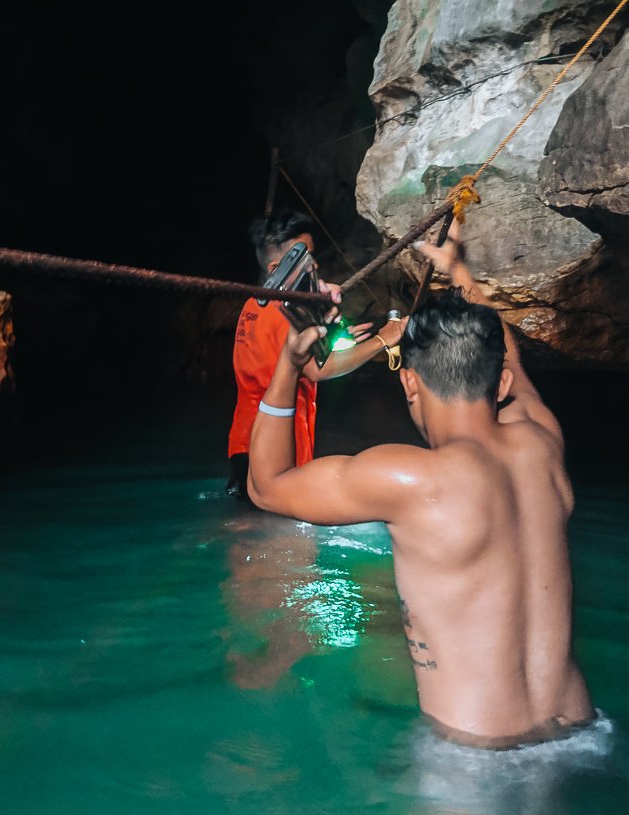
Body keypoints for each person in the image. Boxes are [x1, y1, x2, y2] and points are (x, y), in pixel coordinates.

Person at [247, 221, 595, 749]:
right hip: (585, 733)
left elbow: (266, 487)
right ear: (499, 382)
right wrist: (458, 271)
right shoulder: (542, 443)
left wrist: (289, 366)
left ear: (409, 381)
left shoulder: (408, 477)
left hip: (481, 753)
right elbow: (510, 360)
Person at [226, 208, 405, 499]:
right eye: (303, 257)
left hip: (244, 445)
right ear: (276, 269)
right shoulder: (286, 311)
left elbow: (280, 357)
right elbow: (318, 370)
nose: (315, 264)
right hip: (278, 449)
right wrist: (383, 340)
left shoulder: (252, 306)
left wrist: (334, 338)